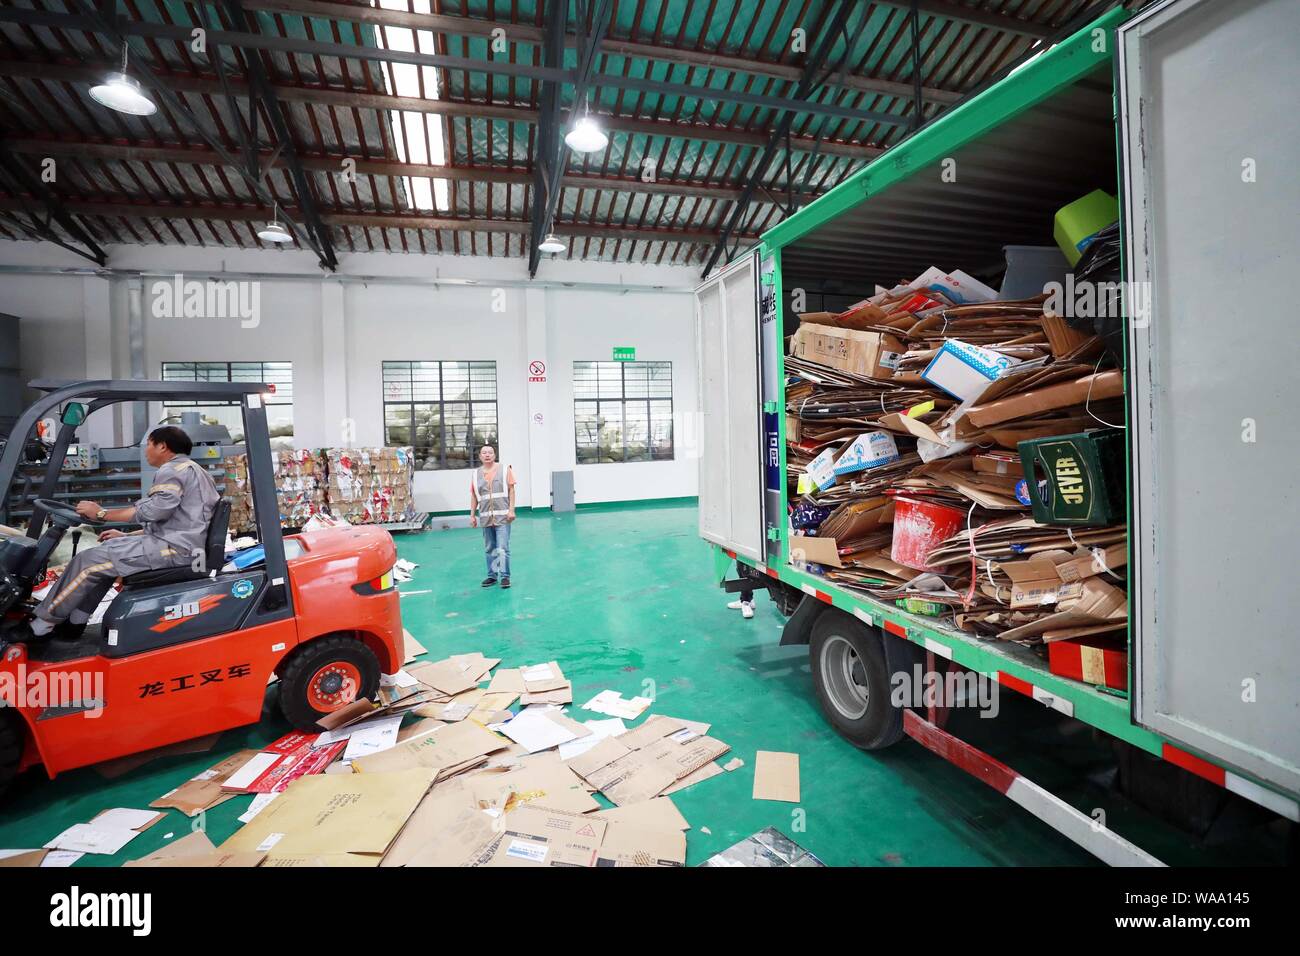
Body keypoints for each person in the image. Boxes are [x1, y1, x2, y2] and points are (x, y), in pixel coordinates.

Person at [27, 425, 219, 638]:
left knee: (88, 561)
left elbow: (155, 511)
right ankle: (75, 624)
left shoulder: (171, 470)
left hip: (176, 551)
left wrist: (101, 514)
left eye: (149, 445)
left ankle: (41, 625)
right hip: (185, 548)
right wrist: (127, 536)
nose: (146, 451)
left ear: (162, 446)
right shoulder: (197, 471)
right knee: (107, 554)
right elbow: (182, 523)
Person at [469, 444, 515, 589]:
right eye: (484, 453)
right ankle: (492, 576)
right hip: (485, 517)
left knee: (502, 547)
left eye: (490, 452)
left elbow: (511, 490)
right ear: (480, 456)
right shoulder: (476, 474)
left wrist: (511, 510)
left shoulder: (505, 469)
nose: (487, 455)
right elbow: (474, 496)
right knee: (489, 548)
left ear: (494, 455)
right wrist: (472, 515)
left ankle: (505, 577)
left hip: (503, 516)